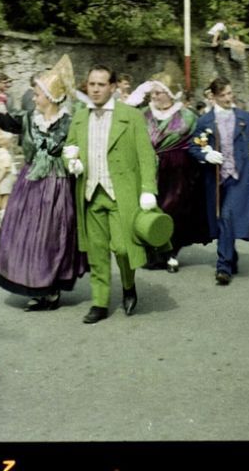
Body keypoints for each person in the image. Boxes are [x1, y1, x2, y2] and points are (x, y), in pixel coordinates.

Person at [0, 55, 87, 311]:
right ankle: (36, 286)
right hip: (30, 185)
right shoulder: (29, 119)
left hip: (58, 187)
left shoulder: (70, 123)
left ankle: (51, 288)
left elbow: (81, 148)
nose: (34, 97)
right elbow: (6, 121)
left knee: (53, 236)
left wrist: (76, 160)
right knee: (26, 235)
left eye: (38, 93)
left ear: (50, 97)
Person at [63, 64, 158, 324]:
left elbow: (146, 157)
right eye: (91, 84)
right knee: (96, 251)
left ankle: (128, 286)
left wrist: (148, 190)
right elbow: (69, 147)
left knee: (123, 248)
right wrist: (71, 161)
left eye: (101, 84)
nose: (95, 89)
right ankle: (100, 302)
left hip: (121, 193)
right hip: (91, 193)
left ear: (113, 87)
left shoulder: (131, 116)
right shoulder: (80, 117)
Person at [188, 76, 249, 285]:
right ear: (214, 97)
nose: (229, 98)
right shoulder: (204, 121)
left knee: (228, 215)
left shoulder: (244, 117)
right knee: (222, 220)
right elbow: (194, 147)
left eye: (230, 93)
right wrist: (206, 155)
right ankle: (231, 255)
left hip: (239, 177)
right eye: (223, 95)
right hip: (216, 179)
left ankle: (223, 267)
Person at [126, 70, 208, 273]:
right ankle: (152, 250)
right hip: (149, 167)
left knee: (173, 209)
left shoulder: (187, 116)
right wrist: (130, 102)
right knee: (149, 209)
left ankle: (171, 252)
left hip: (177, 171)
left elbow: (197, 140)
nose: (154, 96)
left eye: (159, 93)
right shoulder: (143, 114)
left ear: (170, 94)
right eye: (152, 93)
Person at [0, 130, 17, 233]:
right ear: (7, 142)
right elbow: (6, 170)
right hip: (5, 180)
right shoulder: (6, 155)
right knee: (5, 201)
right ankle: (4, 222)